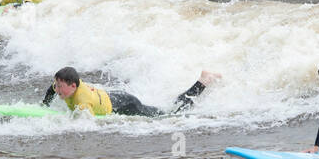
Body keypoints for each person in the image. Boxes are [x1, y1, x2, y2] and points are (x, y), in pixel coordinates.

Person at [40, 66, 222, 117]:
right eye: (57, 84)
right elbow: (51, 89)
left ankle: (203, 81)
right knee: (166, 110)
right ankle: (203, 79)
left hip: (127, 105)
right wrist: (44, 105)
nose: (58, 89)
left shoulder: (83, 101)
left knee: (171, 114)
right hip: (114, 96)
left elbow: (84, 127)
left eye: (61, 86)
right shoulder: (63, 85)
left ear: (73, 86)